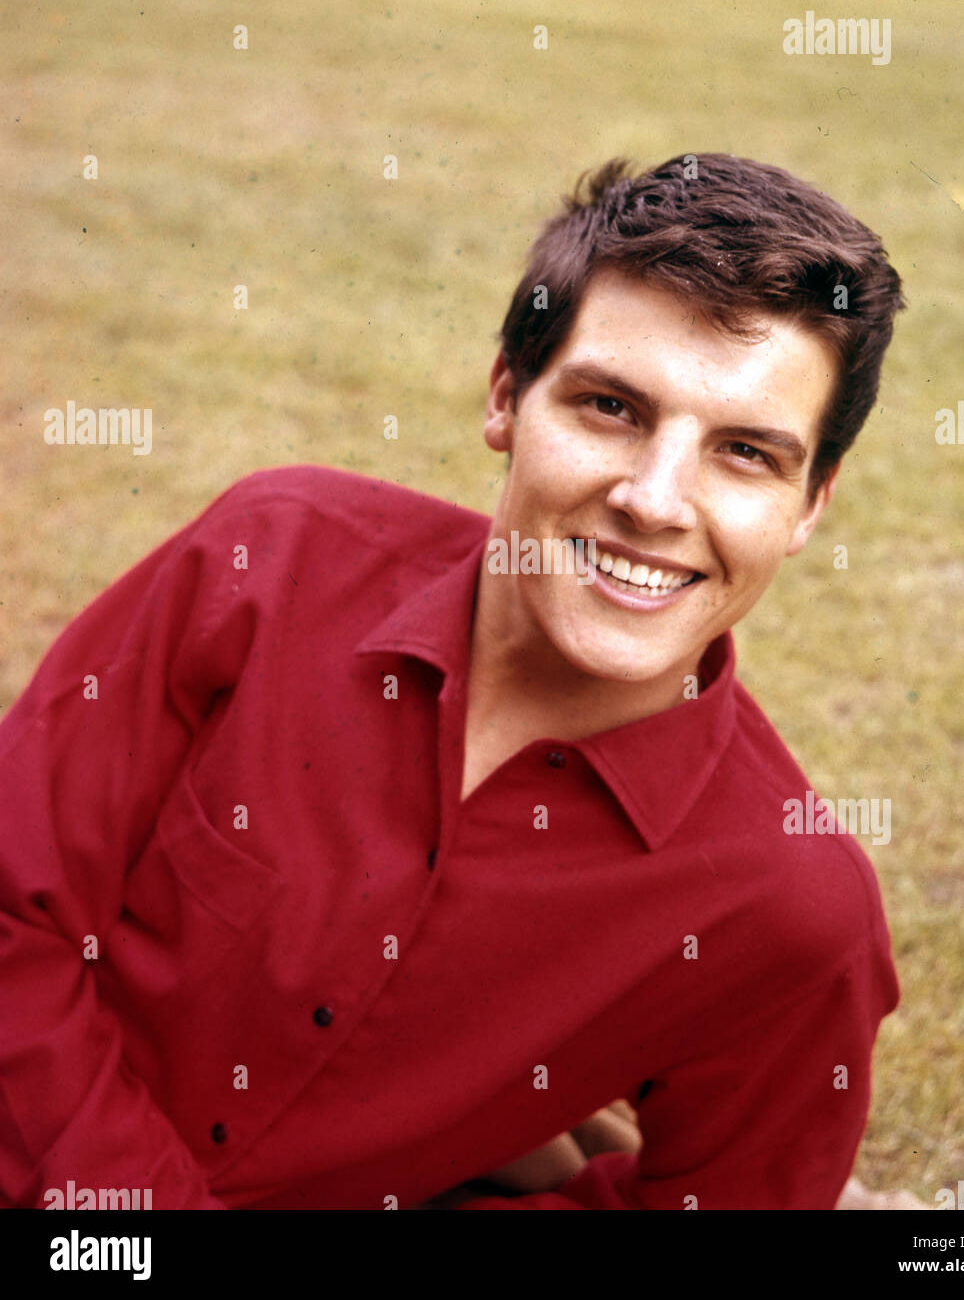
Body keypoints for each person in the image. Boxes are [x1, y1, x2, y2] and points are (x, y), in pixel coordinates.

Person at [1, 152, 908, 1211]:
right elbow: (15, 907)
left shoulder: (793, 917)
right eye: (611, 406)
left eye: (746, 452)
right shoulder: (267, 562)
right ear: (506, 397)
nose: (655, 500)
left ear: (809, 507)